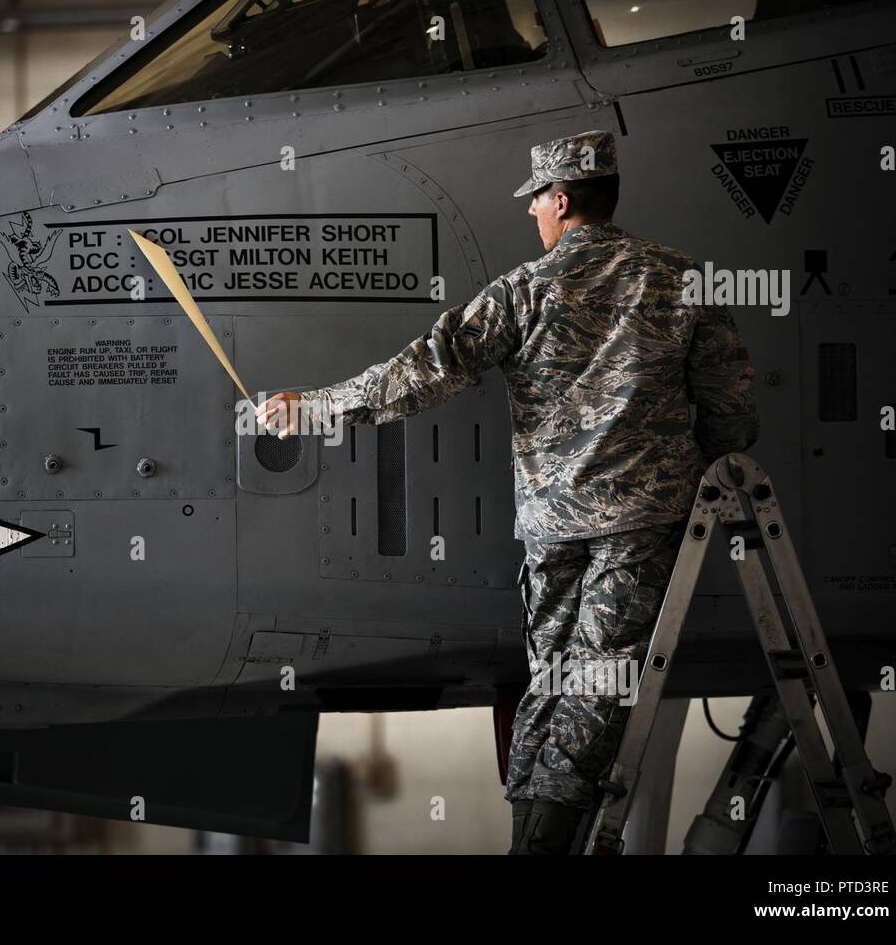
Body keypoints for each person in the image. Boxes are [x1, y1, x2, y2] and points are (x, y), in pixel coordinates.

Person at [256, 130, 760, 854]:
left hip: (553, 527)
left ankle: (532, 837)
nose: (532, 215)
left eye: (537, 201)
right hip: (644, 521)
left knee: (553, 681)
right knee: (597, 683)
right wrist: (690, 462)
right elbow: (733, 410)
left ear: (562, 199)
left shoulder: (524, 291)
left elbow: (424, 370)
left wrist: (316, 406)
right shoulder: (681, 276)